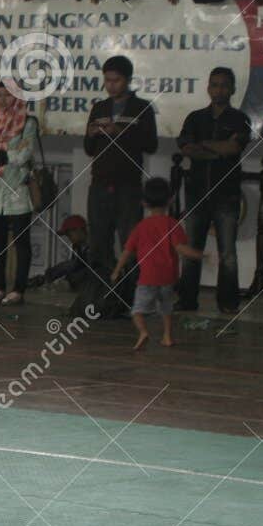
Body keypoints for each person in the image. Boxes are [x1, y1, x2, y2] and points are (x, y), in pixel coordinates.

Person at [175, 66, 249, 315]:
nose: (219, 90)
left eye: (224, 85)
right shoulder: (195, 118)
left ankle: (228, 303)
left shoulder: (240, 119)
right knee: (191, 251)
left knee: (227, 253)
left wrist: (204, 144)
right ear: (208, 88)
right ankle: (187, 300)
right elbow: (186, 147)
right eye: (214, 85)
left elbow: (233, 148)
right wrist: (217, 149)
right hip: (196, 193)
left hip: (226, 195)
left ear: (232, 89)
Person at [84, 55, 158, 279]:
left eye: (116, 80)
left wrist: (119, 131)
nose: (111, 85)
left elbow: (151, 145)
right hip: (100, 185)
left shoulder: (142, 108)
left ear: (128, 80)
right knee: (98, 242)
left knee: (130, 242)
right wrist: (91, 134)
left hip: (128, 186)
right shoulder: (99, 108)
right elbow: (88, 148)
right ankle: (101, 291)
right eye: (107, 80)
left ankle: (130, 291)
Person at [112, 176, 203, 350]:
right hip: (168, 277)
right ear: (170, 200)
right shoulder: (172, 224)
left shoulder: (141, 227)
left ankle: (143, 332)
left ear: (144, 203)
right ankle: (167, 337)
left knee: (137, 311)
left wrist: (117, 270)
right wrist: (200, 255)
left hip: (148, 278)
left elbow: (127, 252)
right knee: (166, 309)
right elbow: (181, 248)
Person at [0, 81, 38, 305]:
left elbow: (24, 153)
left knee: (21, 242)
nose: (3, 100)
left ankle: (18, 290)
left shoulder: (27, 123)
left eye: (8, 95)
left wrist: (3, 156)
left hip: (18, 188)